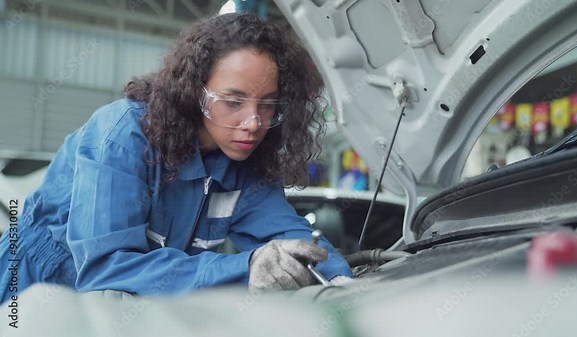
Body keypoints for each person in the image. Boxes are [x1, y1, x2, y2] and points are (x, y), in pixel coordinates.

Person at [0, 13, 352, 303]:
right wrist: (245, 267)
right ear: (193, 93)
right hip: (34, 277)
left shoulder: (248, 163)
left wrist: (337, 278)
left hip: (119, 303)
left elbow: (287, 235)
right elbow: (104, 267)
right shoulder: (123, 136)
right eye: (233, 102)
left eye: (268, 104)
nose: (254, 123)